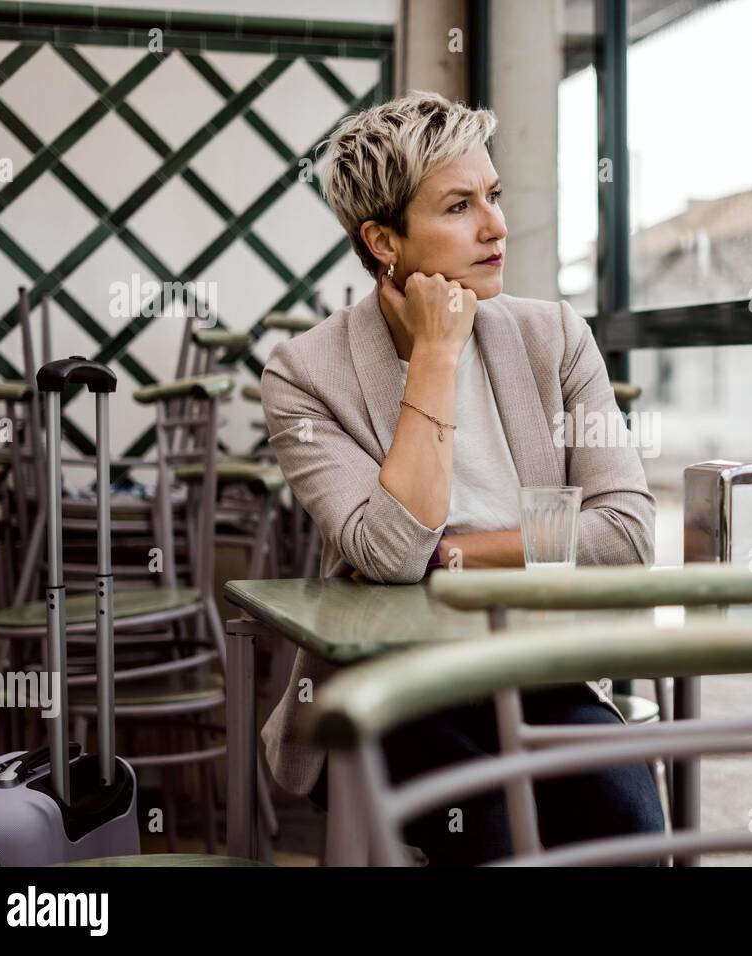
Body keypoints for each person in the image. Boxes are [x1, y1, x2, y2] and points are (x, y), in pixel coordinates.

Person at [258, 90, 664, 865]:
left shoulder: (554, 337)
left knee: (630, 828)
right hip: (390, 688)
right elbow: (389, 551)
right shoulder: (305, 373)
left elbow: (624, 534)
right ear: (383, 240)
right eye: (458, 205)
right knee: (492, 828)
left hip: (540, 669)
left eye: (495, 196)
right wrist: (437, 357)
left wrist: (457, 557)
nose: (495, 225)